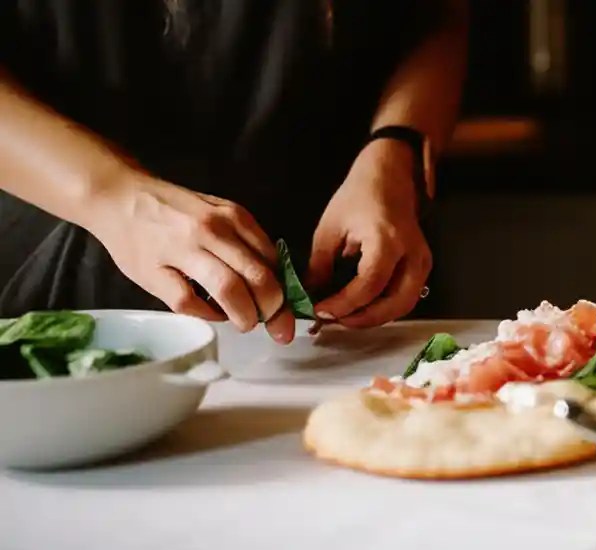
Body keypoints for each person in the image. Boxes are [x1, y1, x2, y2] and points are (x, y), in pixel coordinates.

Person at [0, 0, 467, 344]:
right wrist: (113, 197)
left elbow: (436, 21)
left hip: (347, 260)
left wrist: (395, 151)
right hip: (59, 261)